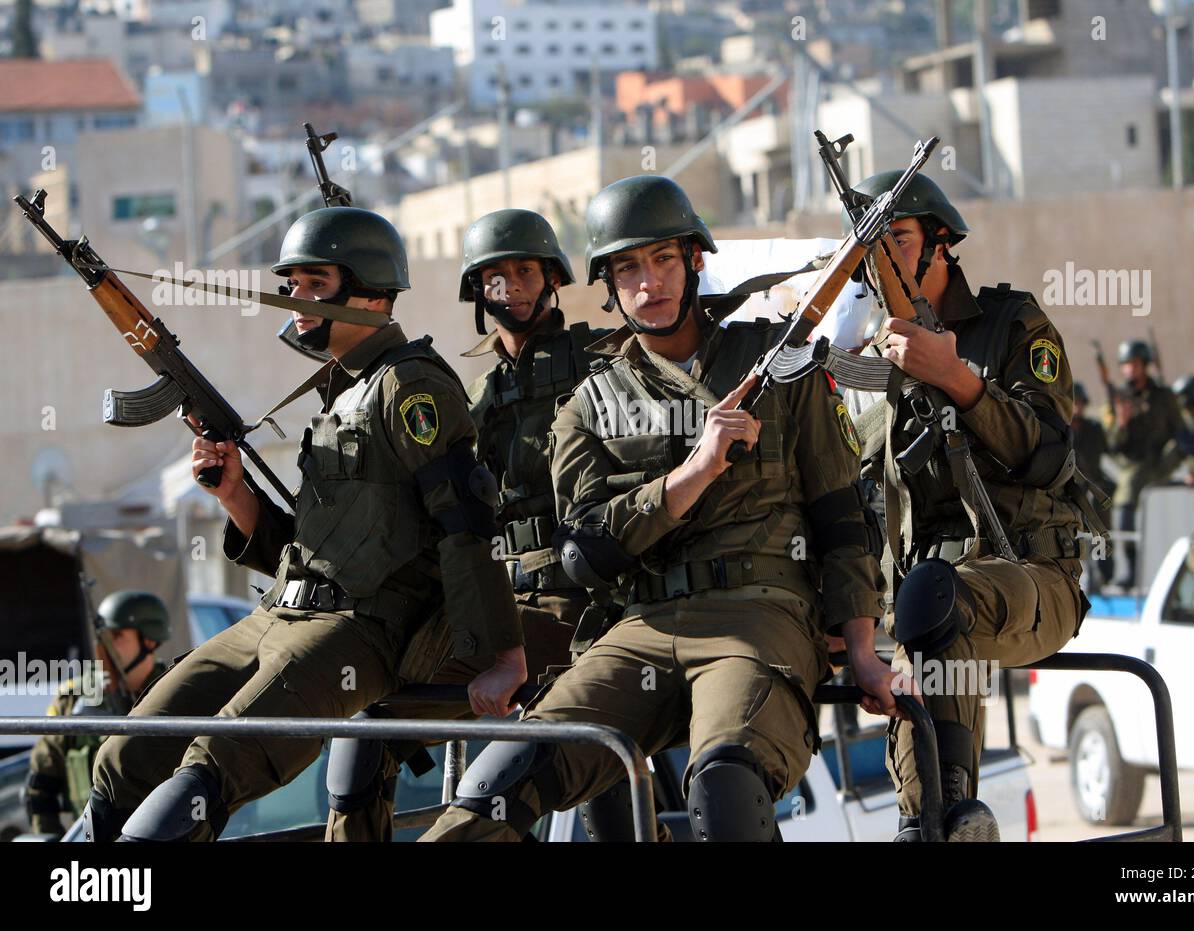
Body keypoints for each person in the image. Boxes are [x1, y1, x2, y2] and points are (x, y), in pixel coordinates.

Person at [425, 174, 892, 843]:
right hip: (638, 625)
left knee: (726, 783)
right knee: (495, 784)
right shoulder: (588, 401)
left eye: (664, 260)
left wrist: (865, 647)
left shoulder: (777, 362)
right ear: (608, 285)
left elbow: (843, 517)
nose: (650, 283)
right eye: (628, 268)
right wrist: (694, 472)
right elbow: (583, 549)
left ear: (695, 260)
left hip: (758, 617)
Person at [81, 206, 525, 842]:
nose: (294, 298)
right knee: (124, 759)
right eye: (290, 283)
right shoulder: (341, 392)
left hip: (358, 631)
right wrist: (236, 496)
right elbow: (314, 550)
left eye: (316, 283)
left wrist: (503, 655)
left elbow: (466, 524)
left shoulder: (411, 387)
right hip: (277, 615)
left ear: (370, 291)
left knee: (210, 771)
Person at [324, 209, 628, 841]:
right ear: (476, 291)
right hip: (502, 603)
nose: (511, 286)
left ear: (552, 279)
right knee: (368, 719)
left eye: (525, 271)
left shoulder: (604, 362)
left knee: (588, 778)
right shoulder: (477, 394)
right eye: (495, 276)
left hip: (588, 603)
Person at [848, 169, 1101, 841]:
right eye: (869, 248)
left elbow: (1049, 453)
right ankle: (930, 825)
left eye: (896, 240)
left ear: (939, 243)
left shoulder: (1010, 323)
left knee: (933, 600)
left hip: (1033, 576)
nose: (882, 260)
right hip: (924, 607)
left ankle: (949, 811)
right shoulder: (868, 361)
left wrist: (957, 379)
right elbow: (850, 498)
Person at [24, 591, 169, 836]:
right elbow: (40, 786)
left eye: (118, 635)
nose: (104, 645)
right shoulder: (75, 701)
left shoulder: (177, 694)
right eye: (102, 636)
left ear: (150, 641)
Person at [1105, 340, 1183, 588]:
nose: (1130, 370)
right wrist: (1122, 423)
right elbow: (1113, 445)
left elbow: (1181, 431)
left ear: (1145, 366)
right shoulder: (1119, 399)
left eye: (1135, 364)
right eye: (1126, 365)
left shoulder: (1163, 396)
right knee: (1125, 502)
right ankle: (1129, 566)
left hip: (1160, 460)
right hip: (1133, 464)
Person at [1072, 383, 1115, 587]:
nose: (1077, 407)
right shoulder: (1061, 429)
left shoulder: (1094, 429)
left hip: (1094, 488)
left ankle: (1102, 573)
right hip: (1070, 490)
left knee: (1100, 531)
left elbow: (1106, 453)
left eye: (1080, 403)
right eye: (1074, 402)